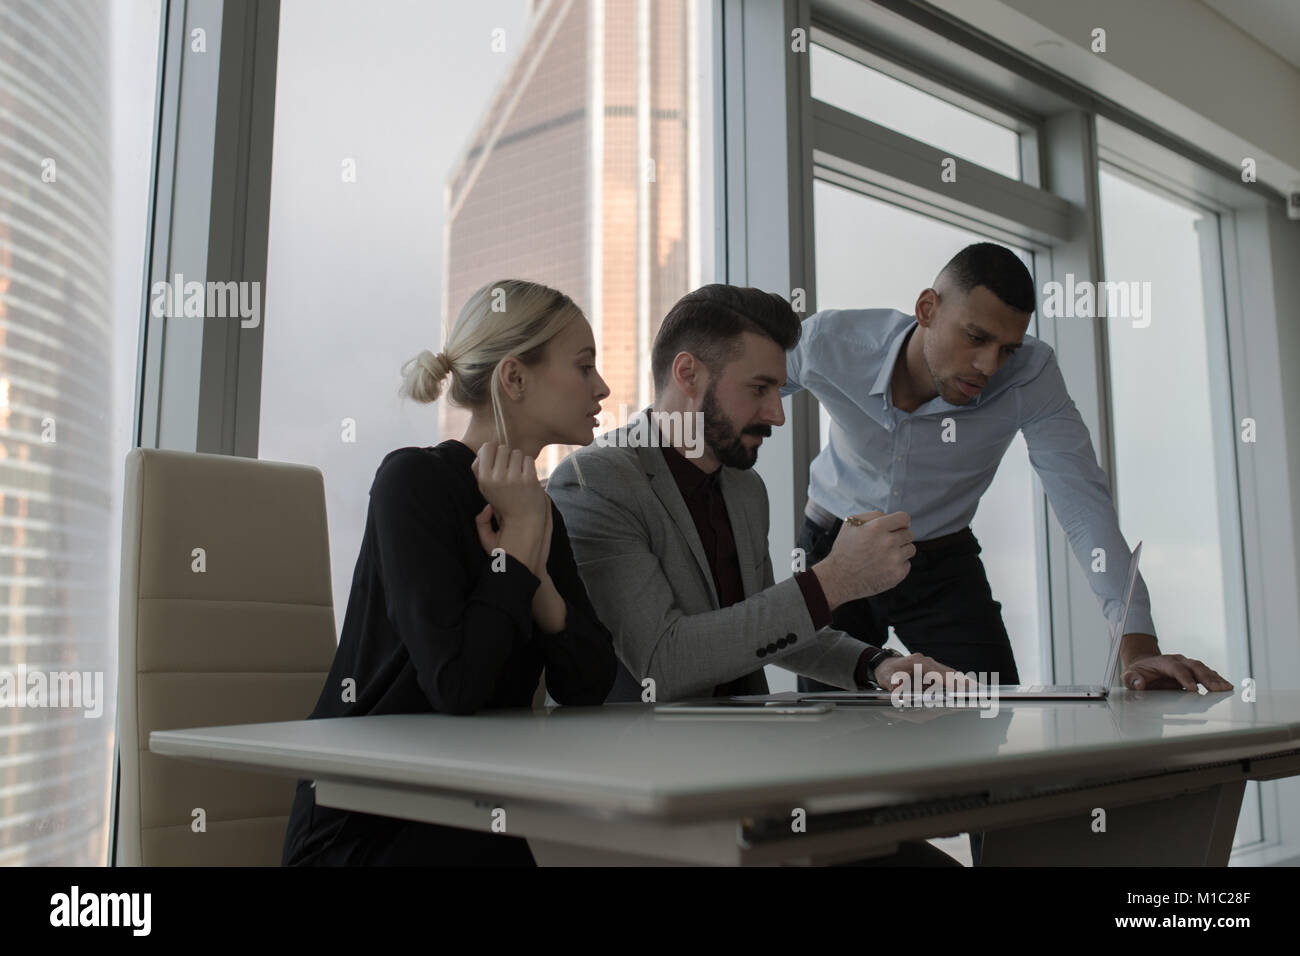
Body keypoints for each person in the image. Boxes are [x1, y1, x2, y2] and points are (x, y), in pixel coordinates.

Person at [548, 284, 965, 865]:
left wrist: (877, 664)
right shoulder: (594, 483)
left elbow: (762, 622)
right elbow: (662, 665)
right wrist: (834, 581)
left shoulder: (745, 488)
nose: (776, 412)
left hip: (755, 784)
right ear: (688, 373)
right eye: (760, 389)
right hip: (658, 810)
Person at [784, 242, 1232, 698]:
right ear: (927, 309)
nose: (988, 366)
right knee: (828, 722)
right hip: (836, 547)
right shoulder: (832, 343)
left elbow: (1081, 502)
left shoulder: (1031, 375)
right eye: (975, 338)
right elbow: (738, 390)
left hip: (942, 560)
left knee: (994, 718)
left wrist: (1137, 645)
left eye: (1007, 349)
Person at [282, 279, 617, 866]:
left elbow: (588, 686)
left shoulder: (538, 510)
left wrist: (540, 588)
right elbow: (457, 686)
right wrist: (513, 554)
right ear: (514, 378)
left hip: (466, 815)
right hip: (366, 828)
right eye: (584, 366)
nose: (602, 387)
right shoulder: (411, 482)